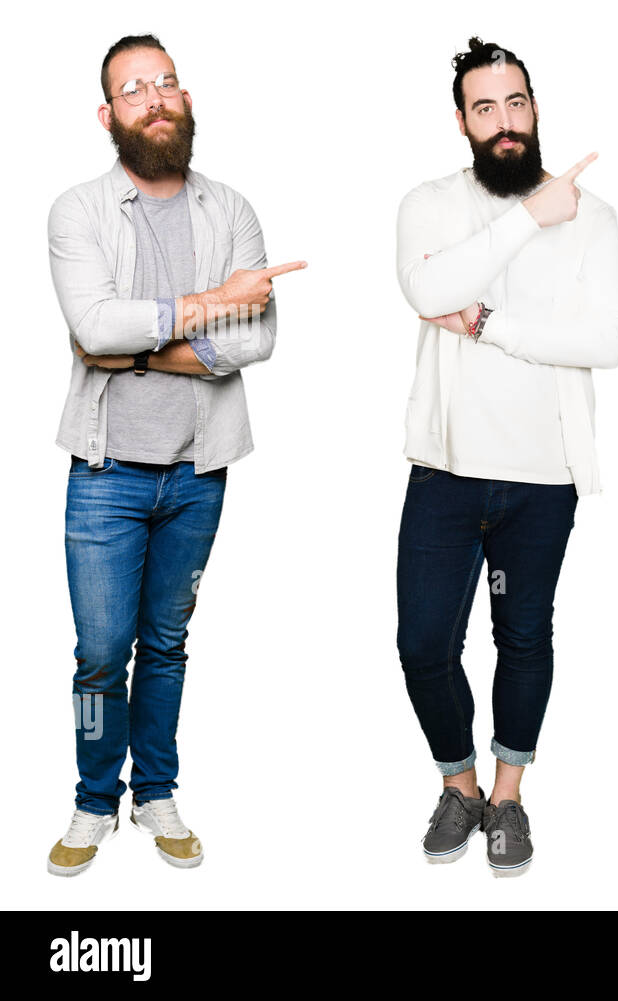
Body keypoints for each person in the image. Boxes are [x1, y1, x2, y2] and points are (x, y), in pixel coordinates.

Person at [46, 34, 305, 876]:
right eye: (133, 89)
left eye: (166, 83)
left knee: (165, 641)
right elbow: (93, 326)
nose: (154, 98)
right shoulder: (79, 211)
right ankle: (94, 800)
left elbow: (259, 332)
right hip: (105, 473)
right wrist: (210, 305)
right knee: (99, 649)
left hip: (199, 472)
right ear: (108, 114)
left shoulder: (230, 210)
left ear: (185, 98)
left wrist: (146, 343)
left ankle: (154, 790)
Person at [395, 36, 618, 877]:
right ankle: (458, 784)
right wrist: (529, 216)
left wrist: (491, 322)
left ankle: (508, 798)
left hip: (544, 475)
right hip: (446, 469)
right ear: (461, 120)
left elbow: (607, 339)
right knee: (425, 641)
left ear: (536, 110)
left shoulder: (595, 215)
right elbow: (426, 291)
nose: (505, 122)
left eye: (517, 103)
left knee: (523, 635)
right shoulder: (428, 204)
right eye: (485, 107)